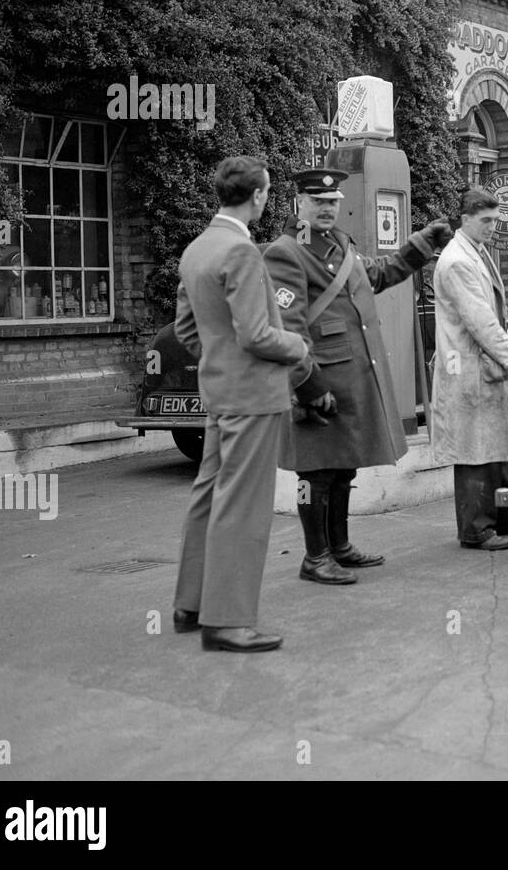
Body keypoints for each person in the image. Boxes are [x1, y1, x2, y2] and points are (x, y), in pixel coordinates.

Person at [262, 168, 454, 584]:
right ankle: (315, 557)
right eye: (318, 201)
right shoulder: (286, 252)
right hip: (316, 380)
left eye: (332, 202)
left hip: (349, 376)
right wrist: (306, 385)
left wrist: (422, 243)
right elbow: (287, 328)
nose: (326, 209)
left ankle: (339, 546)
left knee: (342, 467)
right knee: (315, 473)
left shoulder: (339, 244)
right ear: (299, 202)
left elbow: (379, 273)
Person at [171, 156, 311, 653]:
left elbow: (187, 330)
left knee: (209, 494)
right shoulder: (242, 251)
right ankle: (227, 620)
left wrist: (221, 362)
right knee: (243, 506)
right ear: (257, 196)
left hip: (219, 393)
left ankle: (191, 605)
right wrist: (298, 347)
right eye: (267, 191)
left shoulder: (197, 249)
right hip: (253, 396)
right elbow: (256, 335)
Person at [430, 188, 508, 550]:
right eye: (485, 220)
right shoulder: (458, 261)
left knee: (498, 442)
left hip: (485, 363)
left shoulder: (477, 251)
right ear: (465, 219)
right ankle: (475, 529)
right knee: (475, 450)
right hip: (468, 365)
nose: (492, 227)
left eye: (495, 220)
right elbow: (481, 323)